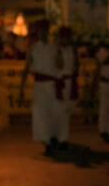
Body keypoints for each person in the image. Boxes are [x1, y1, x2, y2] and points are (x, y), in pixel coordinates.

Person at [21, 21, 74, 157]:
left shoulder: (54, 48)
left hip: (52, 85)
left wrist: (59, 57)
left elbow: (60, 65)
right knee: (41, 113)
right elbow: (27, 68)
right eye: (41, 31)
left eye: (45, 31)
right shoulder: (33, 49)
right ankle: (46, 141)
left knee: (56, 112)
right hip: (40, 86)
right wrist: (22, 87)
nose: (43, 34)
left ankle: (57, 138)